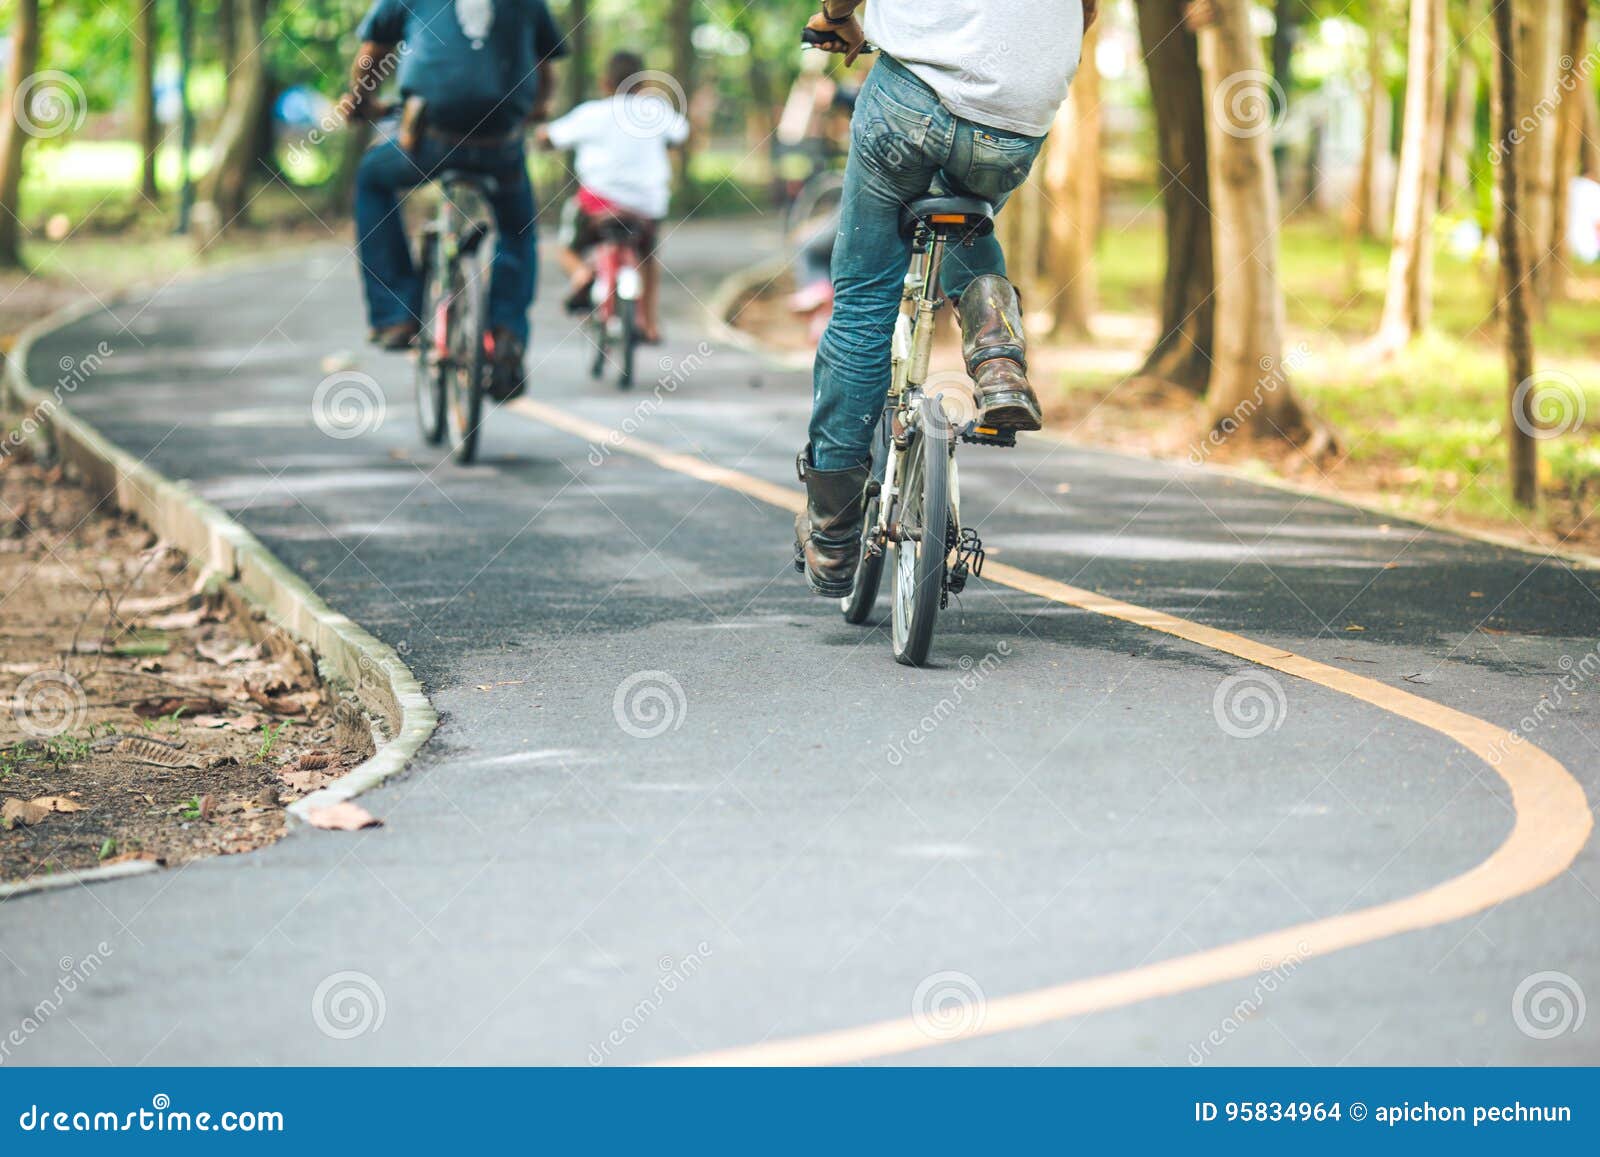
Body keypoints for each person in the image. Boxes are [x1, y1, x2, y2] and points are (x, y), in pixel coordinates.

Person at [793, 0, 1096, 598]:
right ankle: (1000, 363)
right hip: (1018, 114)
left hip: (914, 95)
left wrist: (836, 16)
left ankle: (832, 541)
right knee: (965, 214)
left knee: (861, 303)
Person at [343, 0, 567, 400]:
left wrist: (360, 103)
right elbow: (545, 67)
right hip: (500, 144)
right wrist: (535, 111)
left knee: (372, 179)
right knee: (517, 230)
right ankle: (506, 332)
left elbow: (371, 55)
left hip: (431, 140)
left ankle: (395, 314)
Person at [538, 52, 689, 344]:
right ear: (642, 83)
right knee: (648, 257)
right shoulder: (655, 111)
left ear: (605, 82)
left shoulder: (591, 113)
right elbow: (681, 133)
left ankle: (582, 273)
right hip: (646, 208)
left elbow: (550, 136)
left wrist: (543, 135)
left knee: (566, 248)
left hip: (599, 206)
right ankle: (648, 322)